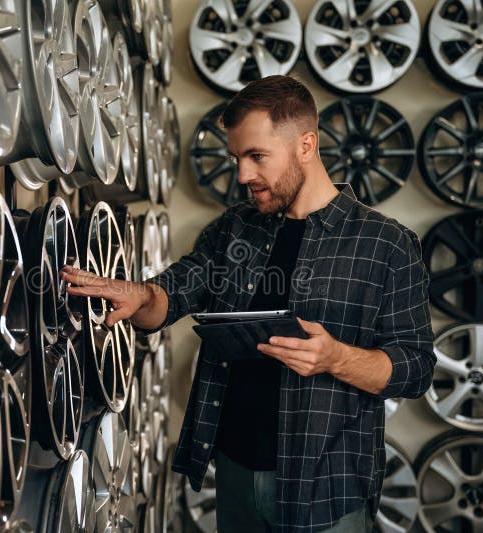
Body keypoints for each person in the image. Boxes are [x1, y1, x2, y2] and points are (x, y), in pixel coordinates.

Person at [62, 75, 435, 532]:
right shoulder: (235, 228)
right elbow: (173, 295)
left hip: (327, 489)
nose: (243, 175)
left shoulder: (387, 243)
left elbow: (415, 369)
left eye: (257, 157)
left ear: (306, 145)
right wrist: (140, 294)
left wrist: (336, 357)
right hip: (235, 472)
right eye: (237, 158)